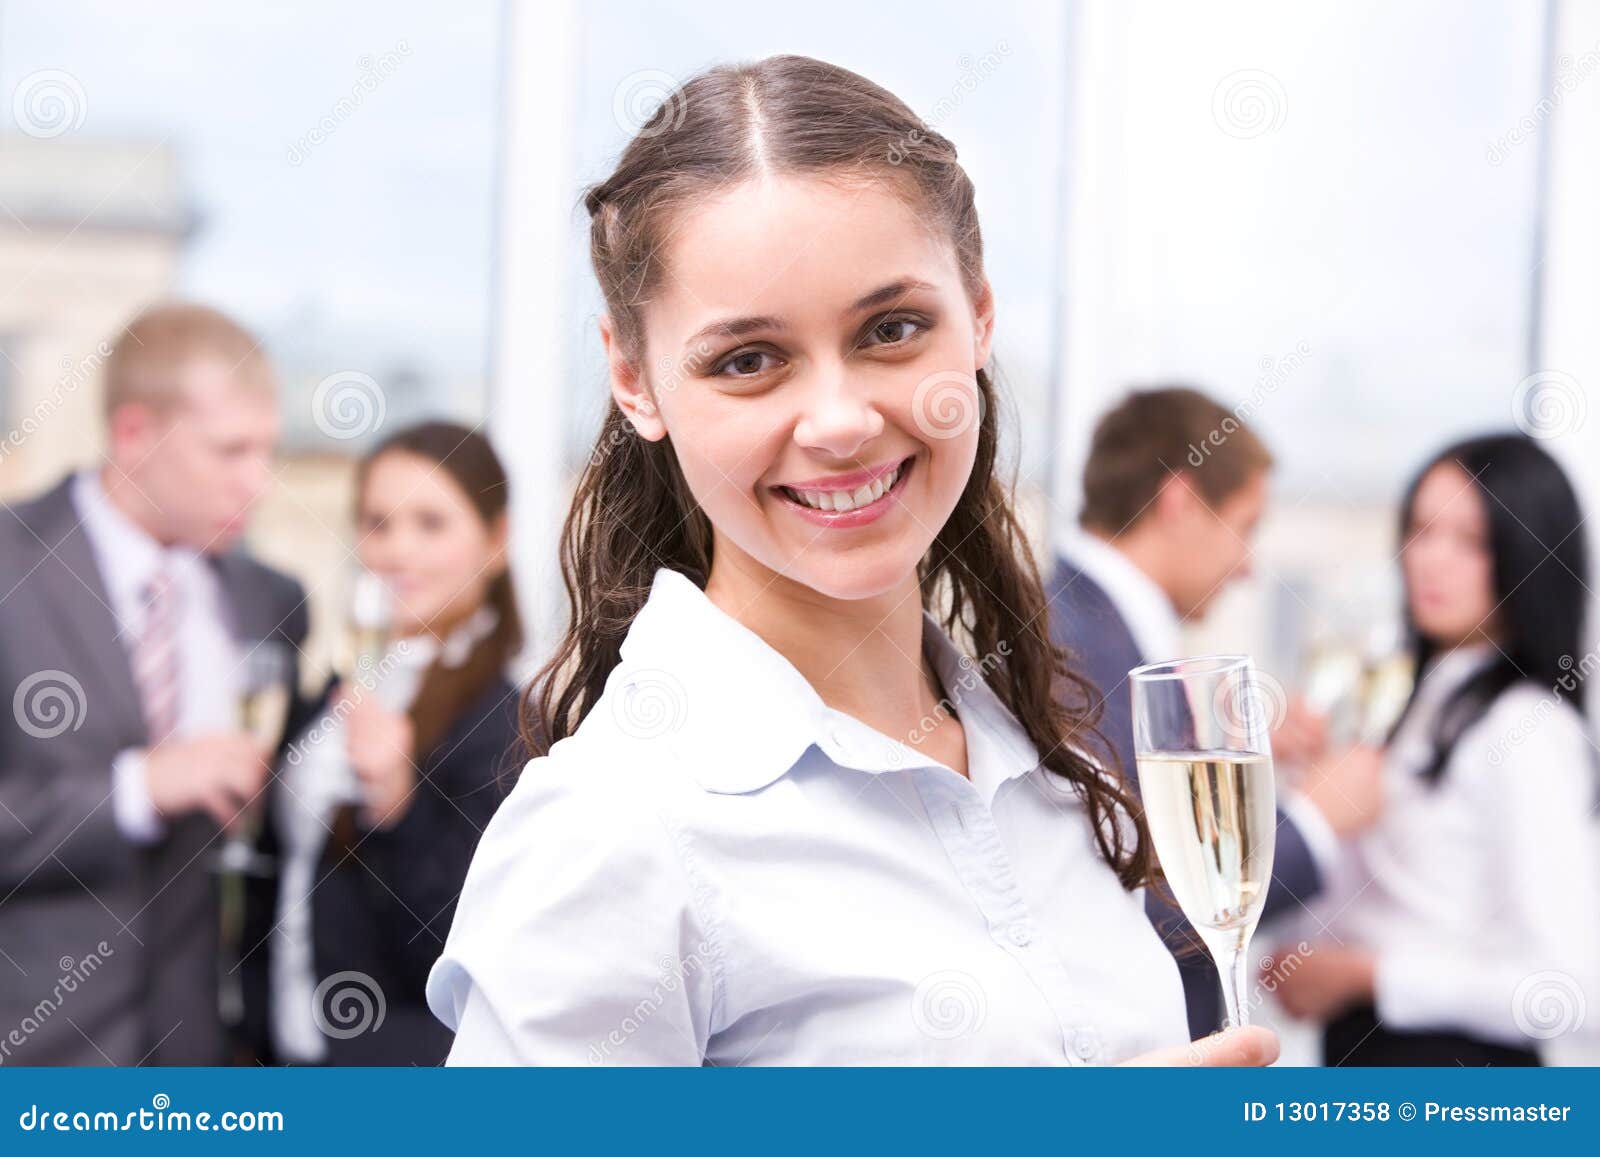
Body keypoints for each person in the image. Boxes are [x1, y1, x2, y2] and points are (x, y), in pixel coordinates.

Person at [425, 55, 1277, 1068]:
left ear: (978, 316)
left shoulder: (1049, 773)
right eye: (748, 359)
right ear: (632, 376)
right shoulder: (614, 830)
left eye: (891, 329)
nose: (838, 421)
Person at [0, 303, 305, 1065]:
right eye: (230, 451)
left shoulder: (269, 600)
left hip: (197, 1067)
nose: (257, 482)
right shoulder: (11, 566)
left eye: (266, 451)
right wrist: (138, 787)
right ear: (134, 435)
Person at [1045, 386, 1385, 1038]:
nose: (1248, 567)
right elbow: (1132, 906)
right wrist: (1315, 819)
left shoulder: (1094, 629)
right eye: (1247, 526)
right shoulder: (1066, 646)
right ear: (1180, 502)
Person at [1268, 433, 1600, 1065]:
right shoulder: (1421, 701)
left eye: (1469, 541)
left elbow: (1572, 988)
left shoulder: (1526, 729)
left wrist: (1366, 976)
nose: (1430, 561)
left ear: (1528, 552)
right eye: (1421, 530)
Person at [240, 422, 524, 1066]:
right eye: (377, 523)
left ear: (495, 541)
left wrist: (398, 806)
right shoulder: (337, 694)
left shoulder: (510, 728)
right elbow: (274, 882)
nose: (397, 550)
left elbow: (469, 957)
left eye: (430, 523)